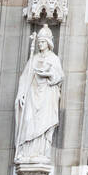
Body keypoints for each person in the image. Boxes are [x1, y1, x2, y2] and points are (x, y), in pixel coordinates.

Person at [14, 25, 64, 165]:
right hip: (32, 95)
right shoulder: (34, 58)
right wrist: (21, 95)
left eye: (42, 42)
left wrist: (49, 74)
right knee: (29, 121)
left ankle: (41, 152)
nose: (40, 44)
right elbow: (25, 77)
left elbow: (59, 76)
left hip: (47, 96)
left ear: (48, 43)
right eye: (39, 42)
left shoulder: (54, 59)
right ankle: (27, 152)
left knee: (43, 124)